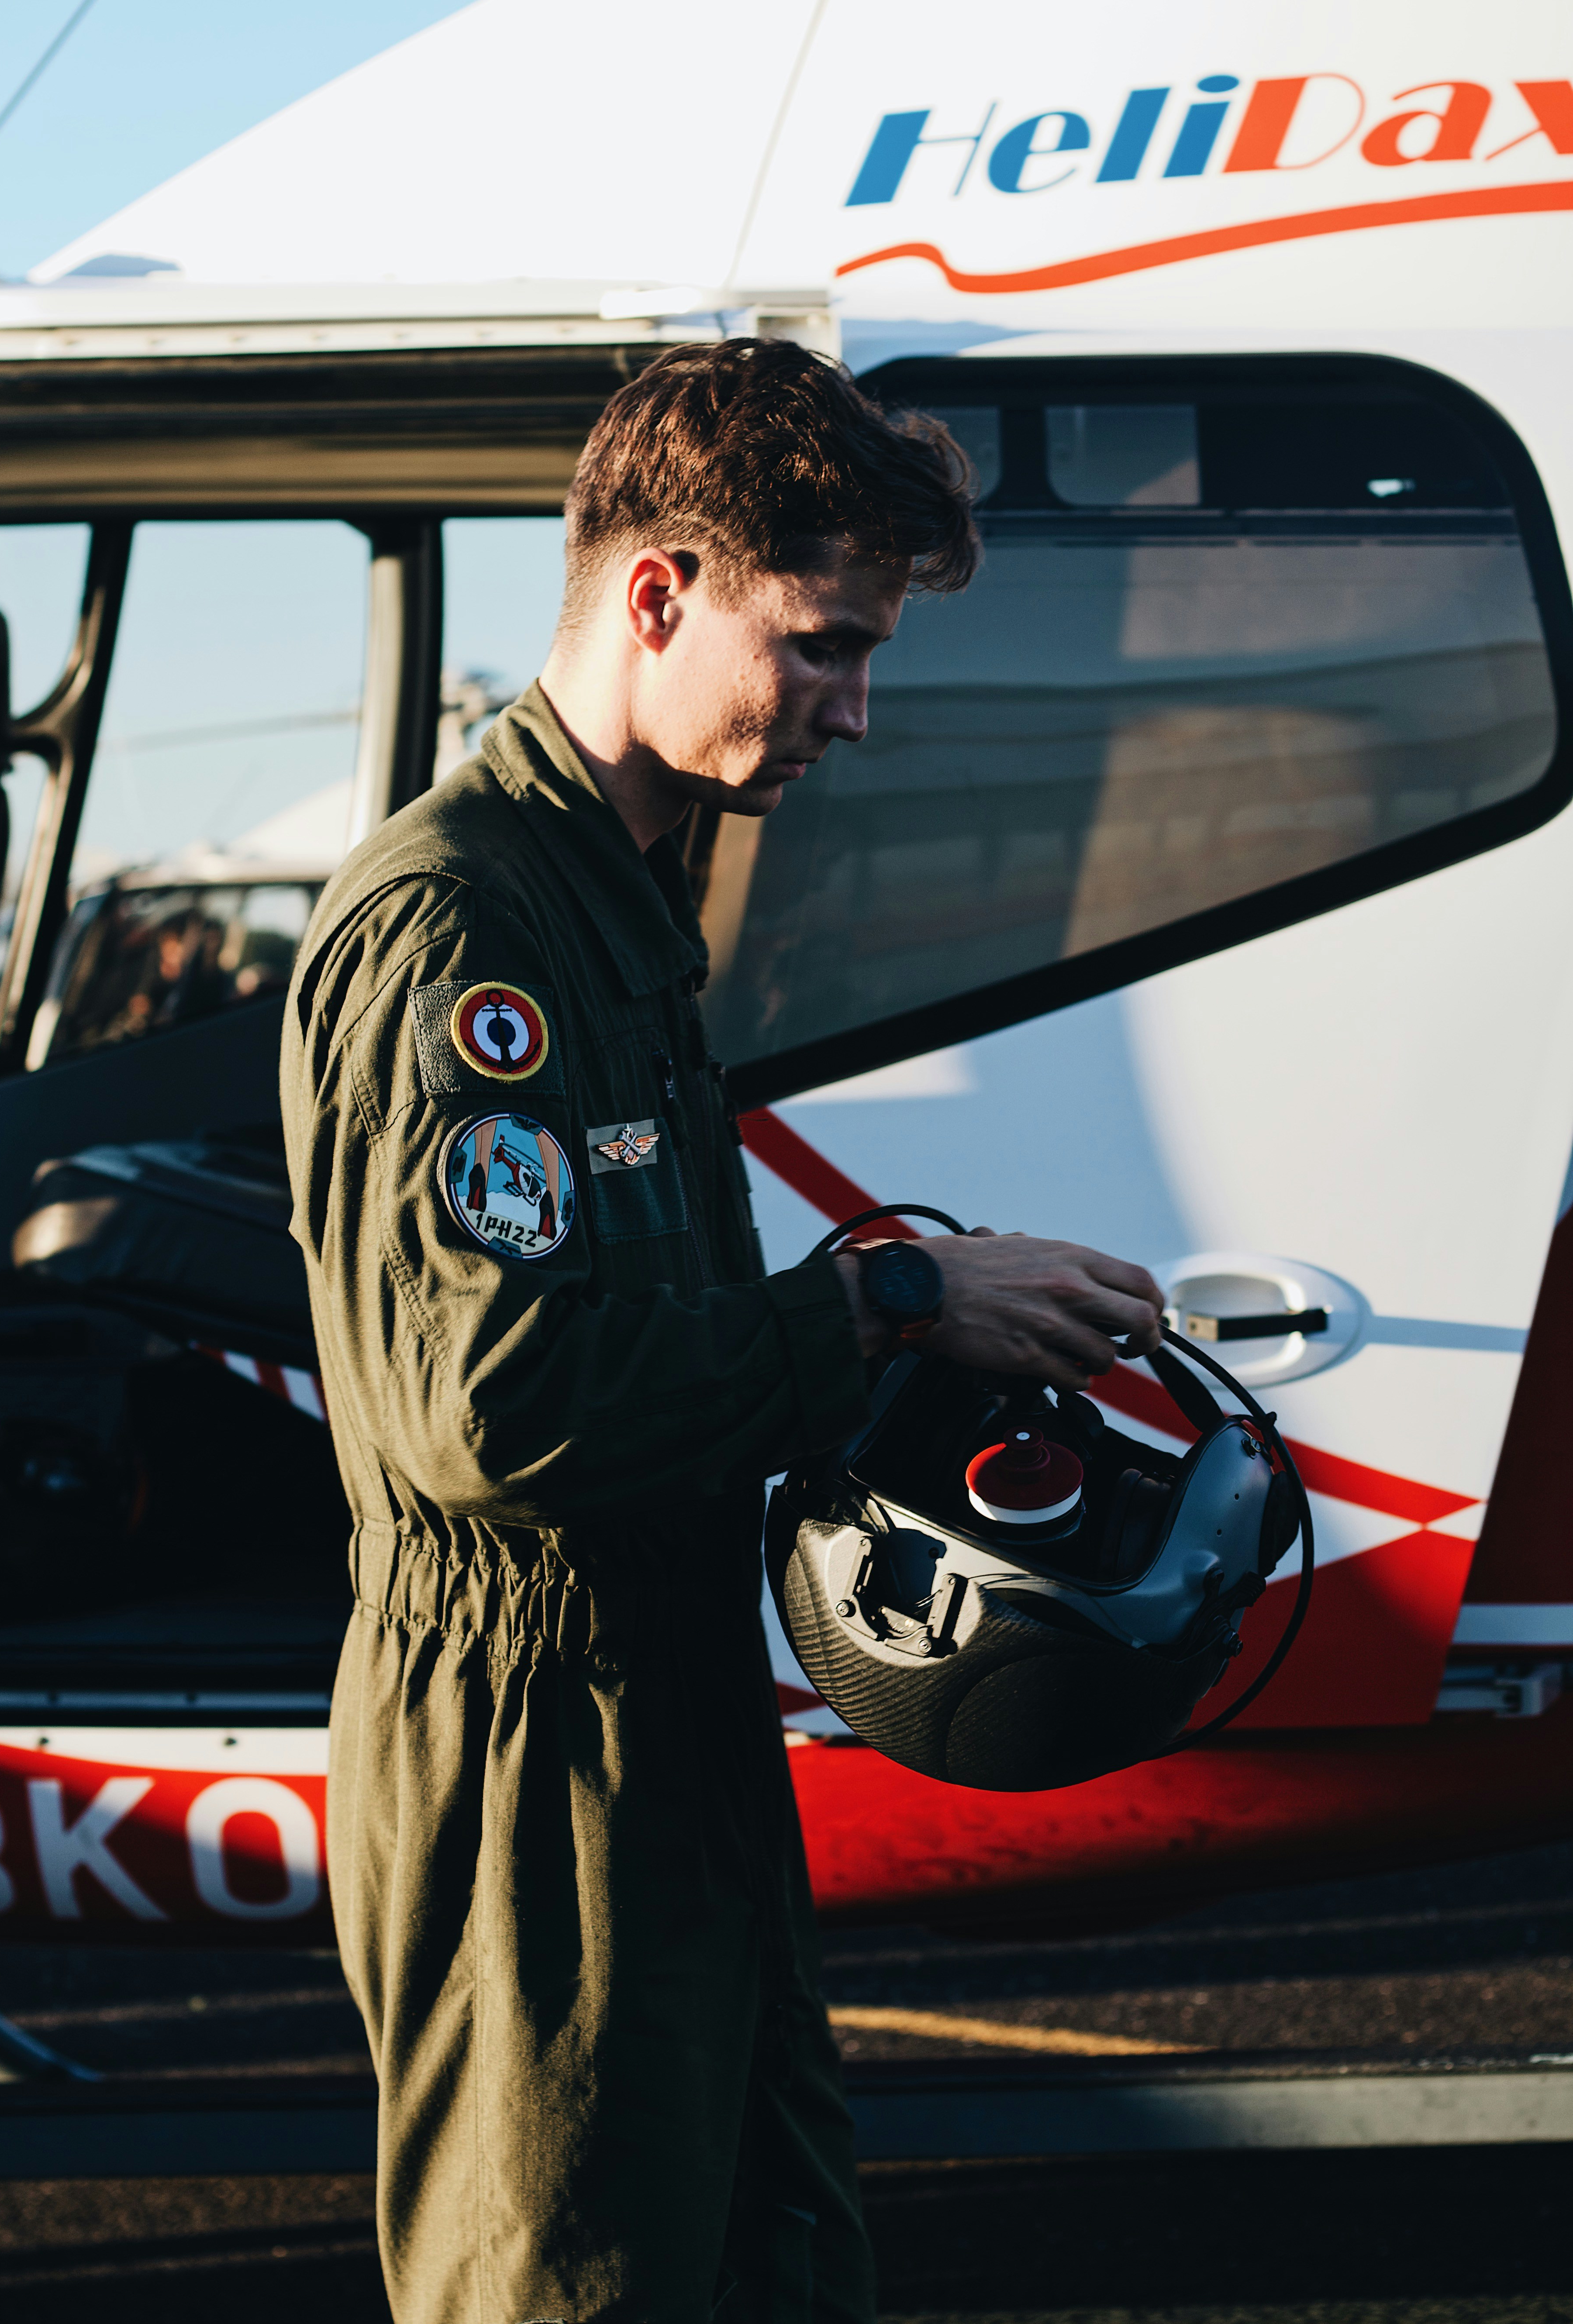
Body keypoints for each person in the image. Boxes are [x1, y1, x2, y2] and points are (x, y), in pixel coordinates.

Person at [280, 340, 1165, 2324]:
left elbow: (643, 1337)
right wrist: (889, 1299)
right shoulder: (462, 930)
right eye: (827, 646)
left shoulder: (616, 905)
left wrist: (914, 1352)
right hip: (531, 1737)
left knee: (766, 2256)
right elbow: (487, 1409)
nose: (856, 711)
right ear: (663, 593)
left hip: (652, 1703)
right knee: (570, 2285)